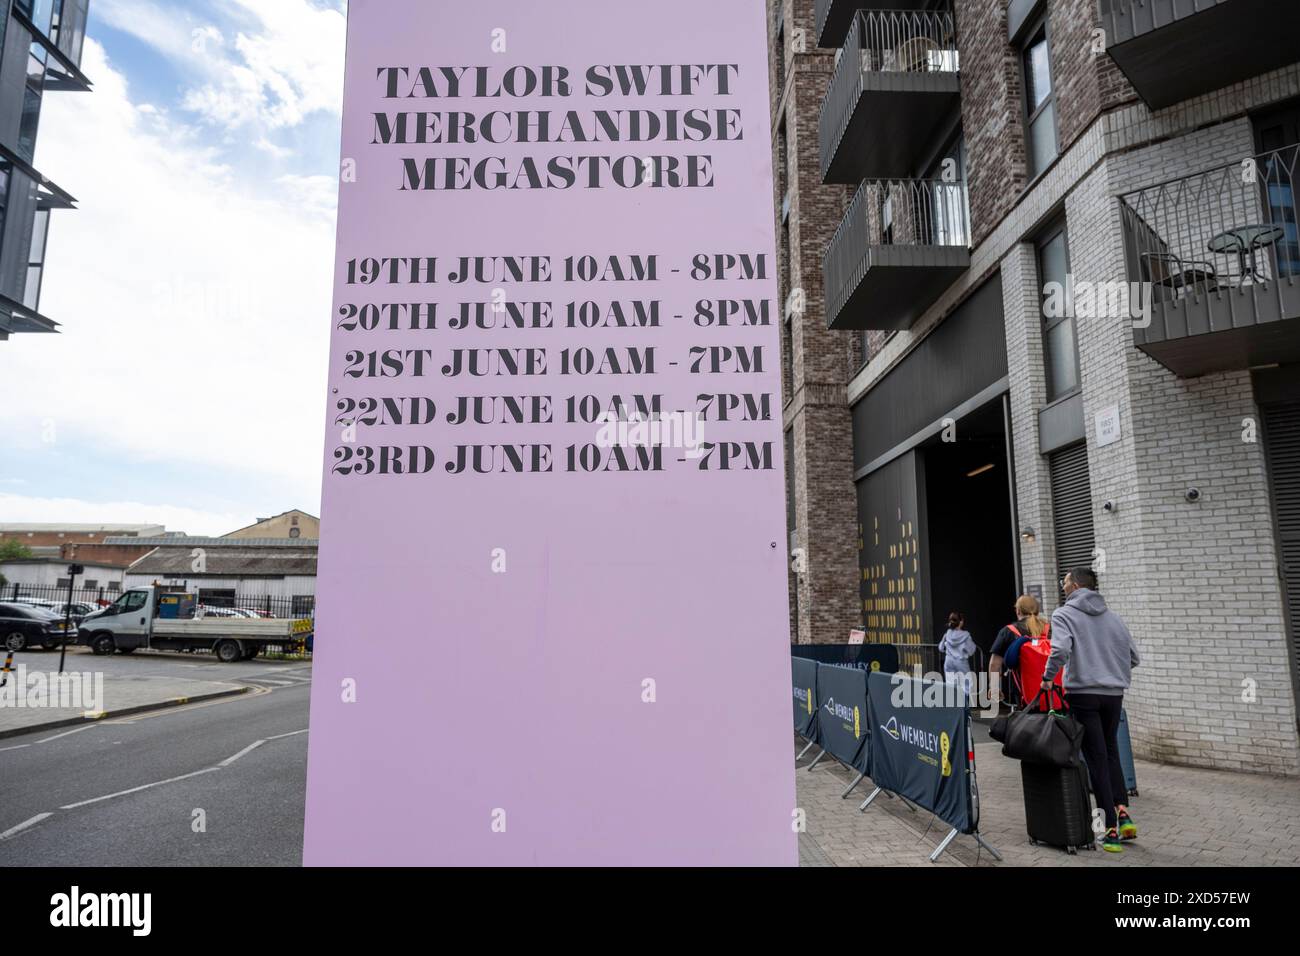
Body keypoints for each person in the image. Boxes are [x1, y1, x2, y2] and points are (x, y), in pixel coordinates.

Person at [1041, 567, 1141, 854]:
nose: (1062, 586)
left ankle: (1109, 830)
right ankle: (1123, 813)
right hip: (1113, 694)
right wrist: (1111, 672)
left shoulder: (1064, 614)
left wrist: (1048, 678)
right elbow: (1133, 657)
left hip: (1083, 694)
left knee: (1095, 758)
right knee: (1110, 752)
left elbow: (1059, 650)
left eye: (1065, 581)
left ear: (1074, 585)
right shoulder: (1114, 618)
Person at [988, 594, 1050, 708]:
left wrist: (995, 687)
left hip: (1022, 689)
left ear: (1018, 611)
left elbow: (994, 664)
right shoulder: (1049, 629)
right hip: (1051, 686)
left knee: (1027, 722)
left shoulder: (1008, 631)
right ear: (1037, 610)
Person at [938, 611, 976, 699]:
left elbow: (940, 648)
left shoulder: (947, 634)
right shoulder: (966, 636)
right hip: (961, 661)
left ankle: (953, 709)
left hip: (948, 661)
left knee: (951, 685)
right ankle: (964, 710)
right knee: (966, 685)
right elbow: (971, 651)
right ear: (961, 622)